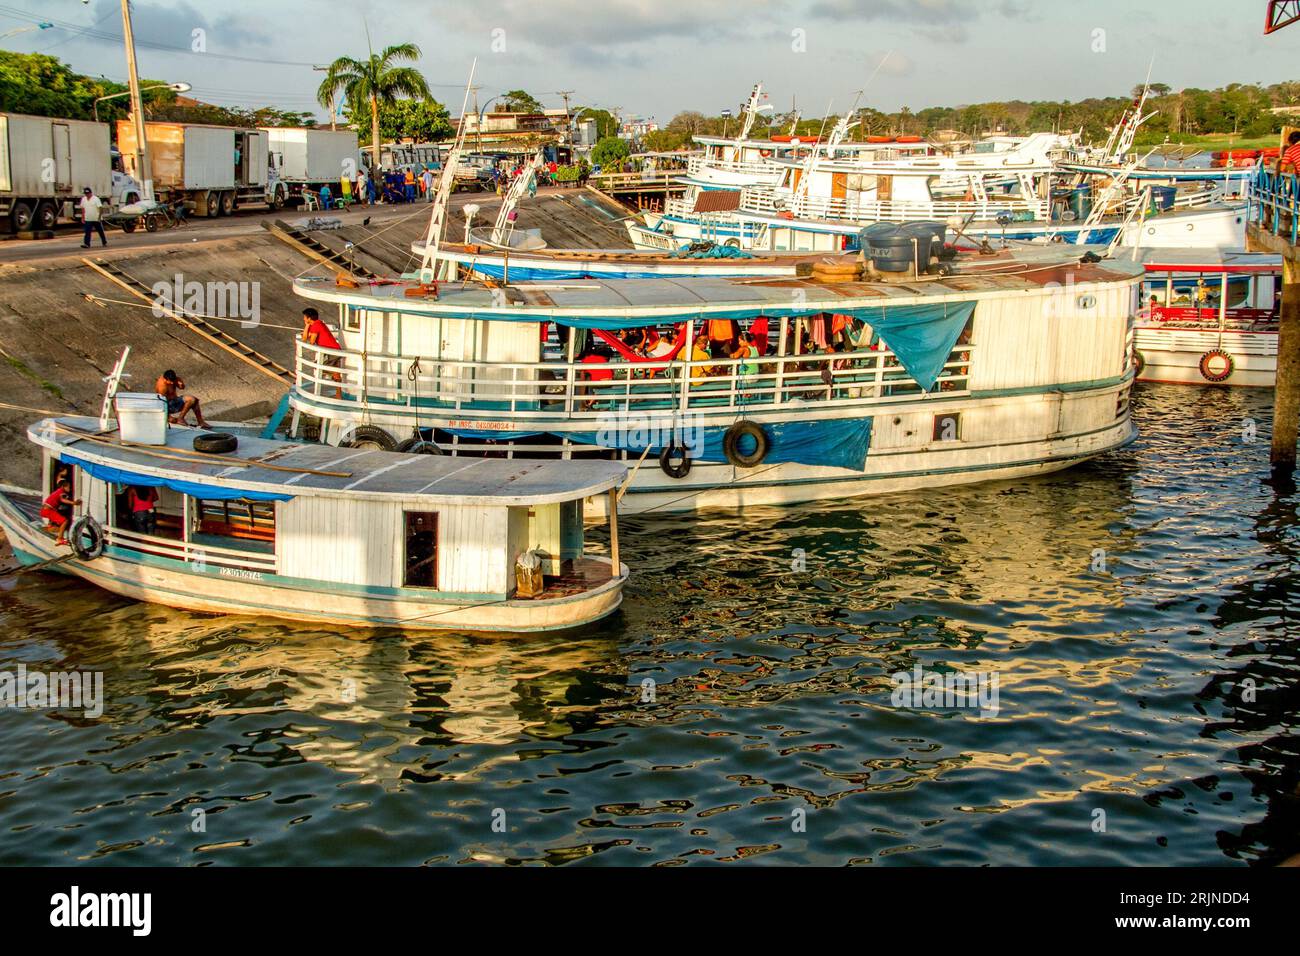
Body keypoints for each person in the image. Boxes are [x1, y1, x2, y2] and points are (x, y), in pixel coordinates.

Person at [302, 307, 343, 397]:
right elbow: (304, 338)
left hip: (333, 351)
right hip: (332, 351)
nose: (303, 319)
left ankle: (334, 377)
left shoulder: (317, 325)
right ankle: (338, 394)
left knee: (319, 367)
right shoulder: (315, 324)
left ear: (309, 318)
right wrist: (307, 325)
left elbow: (312, 341)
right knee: (334, 372)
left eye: (305, 317)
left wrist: (308, 326)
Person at [40, 476, 79, 546]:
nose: (70, 489)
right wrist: (74, 503)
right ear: (64, 487)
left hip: (46, 510)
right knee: (65, 521)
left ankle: (49, 527)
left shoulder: (59, 491)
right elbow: (62, 500)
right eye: (69, 487)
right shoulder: (61, 492)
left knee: (59, 523)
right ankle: (60, 538)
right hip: (48, 510)